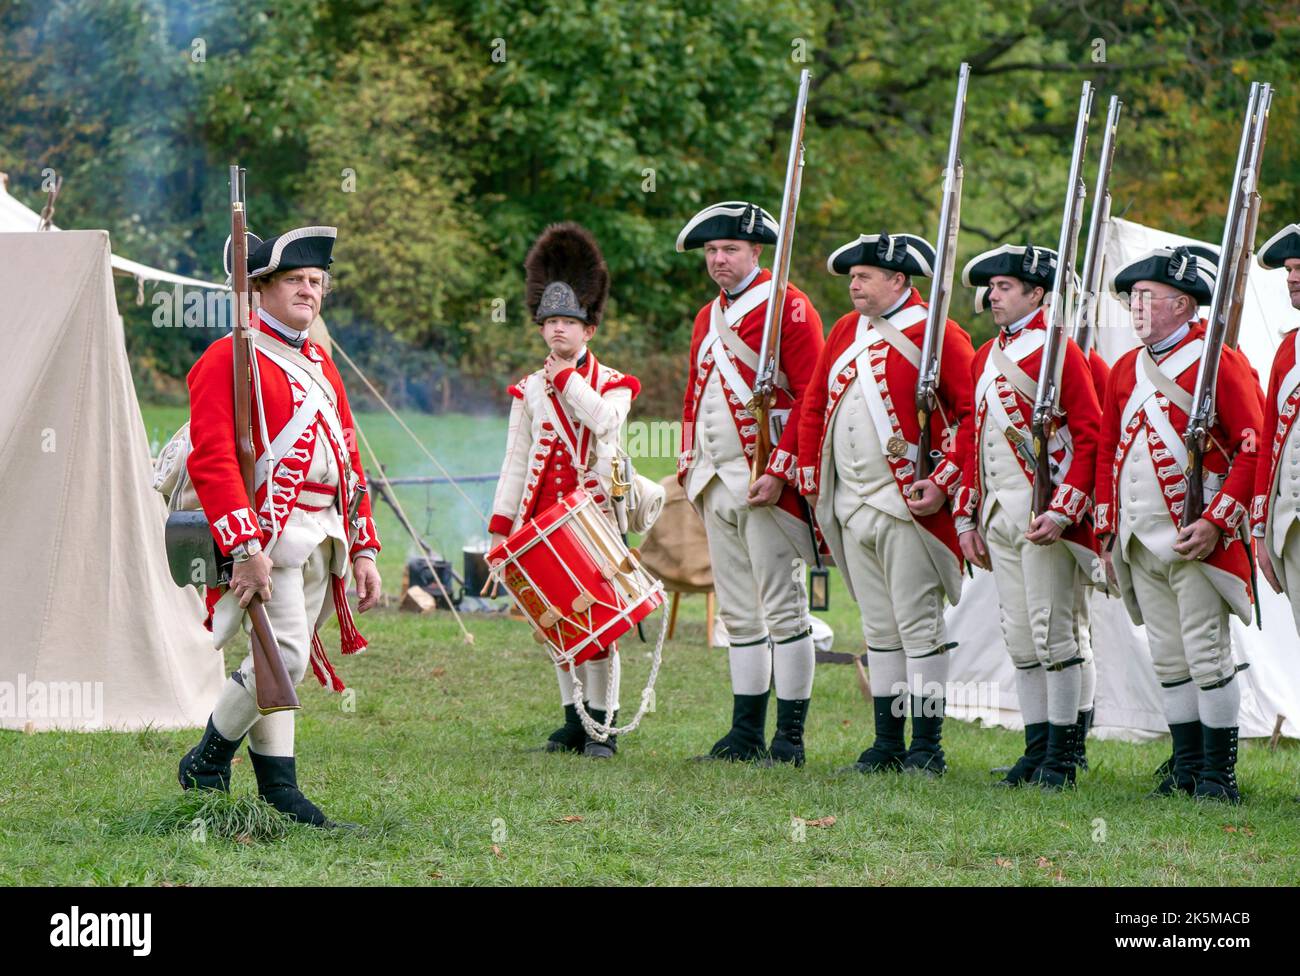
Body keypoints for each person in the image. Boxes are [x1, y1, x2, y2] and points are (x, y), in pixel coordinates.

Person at [177, 225, 382, 827]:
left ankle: (279, 787)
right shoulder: (228, 358)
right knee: (287, 656)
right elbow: (213, 456)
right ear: (260, 288)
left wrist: (364, 549)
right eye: (295, 279)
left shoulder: (318, 362)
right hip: (269, 534)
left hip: (325, 534)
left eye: (317, 282)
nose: (310, 291)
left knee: (277, 656)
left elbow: (348, 457)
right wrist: (243, 547)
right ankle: (208, 758)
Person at [797, 232, 974, 775]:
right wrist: (807, 475)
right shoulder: (847, 330)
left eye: (865, 276)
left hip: (907, 504)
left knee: (919, 627)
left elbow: (972, 415)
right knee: (879, 629)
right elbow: (814, 405)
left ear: (899, 281)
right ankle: (887, 744)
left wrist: (942, 481)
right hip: (851, 505)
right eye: (852, 277)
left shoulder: (939, 333)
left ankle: (927, 748)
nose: (854, 285)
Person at [1095, 244, 1262, 803]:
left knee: (1207, 652)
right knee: (1167, 655)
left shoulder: (1220, 361)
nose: (1136, 307)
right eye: (1133, 299)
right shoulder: (1125, 369)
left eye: (1147, 298)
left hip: (1196, 537)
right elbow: (1107, 451)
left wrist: (1218, 521)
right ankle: (1188, 764)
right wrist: (1108, 529)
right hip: (1141, 539)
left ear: (1184, 304)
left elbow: (1252, 447)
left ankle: (1220, 773)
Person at [676, 201, 824, 765]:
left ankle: (788, 739)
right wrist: (690, 463)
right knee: (739, 612)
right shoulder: (704, 316)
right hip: (716, 480)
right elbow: (695, 393)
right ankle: (744, 733)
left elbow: (813, 397)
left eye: (729, 249)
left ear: (756, 252)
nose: (718, 259)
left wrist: (782, 469)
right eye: (711, 251)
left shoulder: (789, 307)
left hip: (767, 481)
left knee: (784, 609)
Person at [488, 222, 640, 758]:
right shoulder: (527, 388)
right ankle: (574, 720)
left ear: (588, 330)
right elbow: (516, 458)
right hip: (540, 516)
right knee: (556, 625)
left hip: (593, 518)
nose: (557, 331)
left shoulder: (614, 382)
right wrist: (501, 526)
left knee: (599, 627)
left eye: (568, 322)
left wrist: (567, 380)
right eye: (550, 322)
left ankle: (605, 725)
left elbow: (605, 424)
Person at [955, 244, 1103, 790]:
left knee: (1054, 636)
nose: (992, 296)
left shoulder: (1061, 352)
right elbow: (974, 441)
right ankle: (1036, 750)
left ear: (1037, 293)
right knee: (1020, 639)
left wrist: (1065, 510)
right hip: (998, 514)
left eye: (1005, 288)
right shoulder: (982, 356)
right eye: (991, 287)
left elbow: (1089, 436)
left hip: (1045, 516)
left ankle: (1061, 759)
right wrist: (967, 517)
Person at [1251, 224, 1300, 633]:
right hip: (1291, 528)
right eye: (1288, 269)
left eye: (1299, 267)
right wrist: (1260, 531)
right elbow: (1269, 444)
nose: (1292, 278)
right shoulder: (1288, 349)